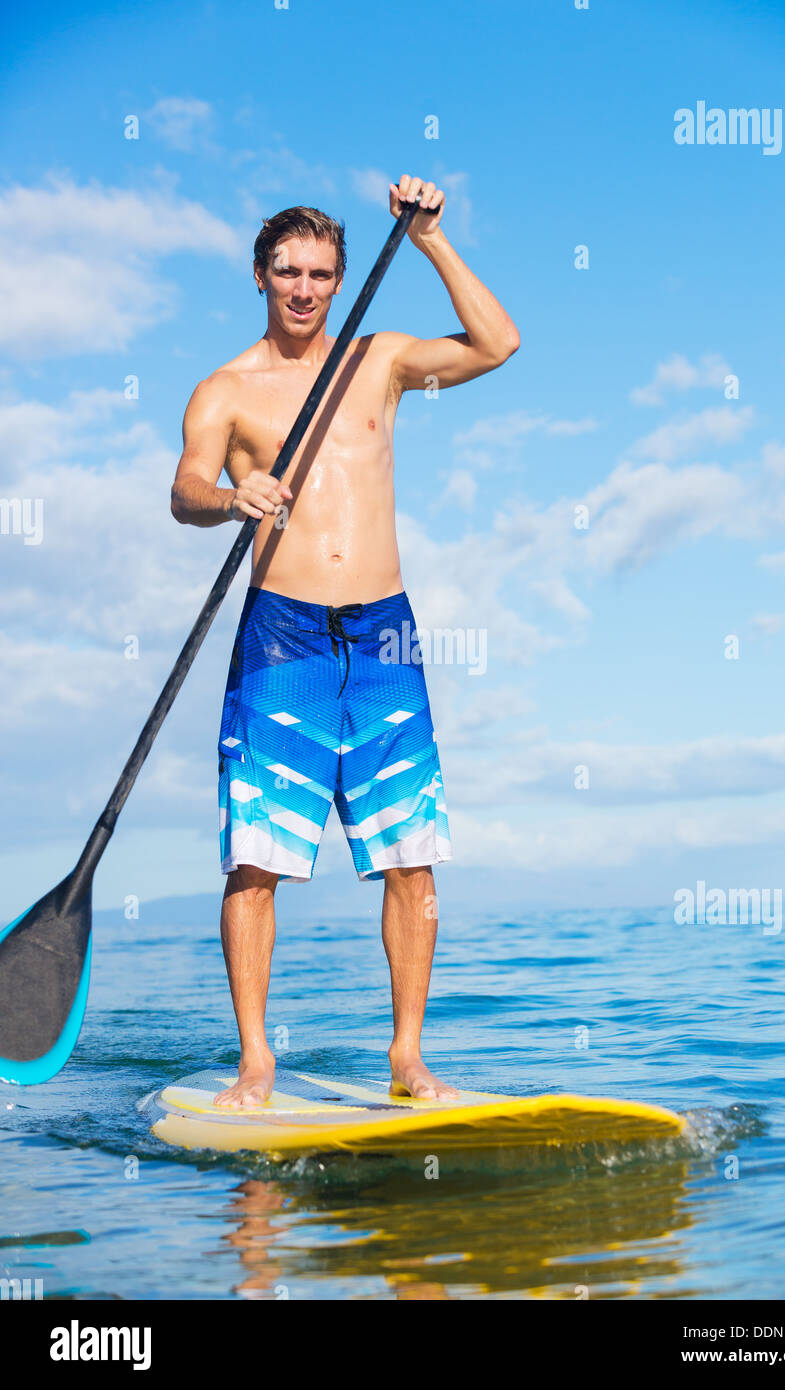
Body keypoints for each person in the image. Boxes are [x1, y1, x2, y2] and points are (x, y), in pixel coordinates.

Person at [170, 174, 519, 1106]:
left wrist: (433, 239)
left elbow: (498, 343)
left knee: (411, 855)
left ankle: (406, 1057)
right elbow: (185, 490)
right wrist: (230, 498)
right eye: (287, 270)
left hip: (384, 633)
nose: (305, 288)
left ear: (338, 280)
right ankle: (256, 1062)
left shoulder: (378, 361)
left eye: (322, 273)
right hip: (282, 636)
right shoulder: (227, 390)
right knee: (258, 857)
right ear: (259, 276)